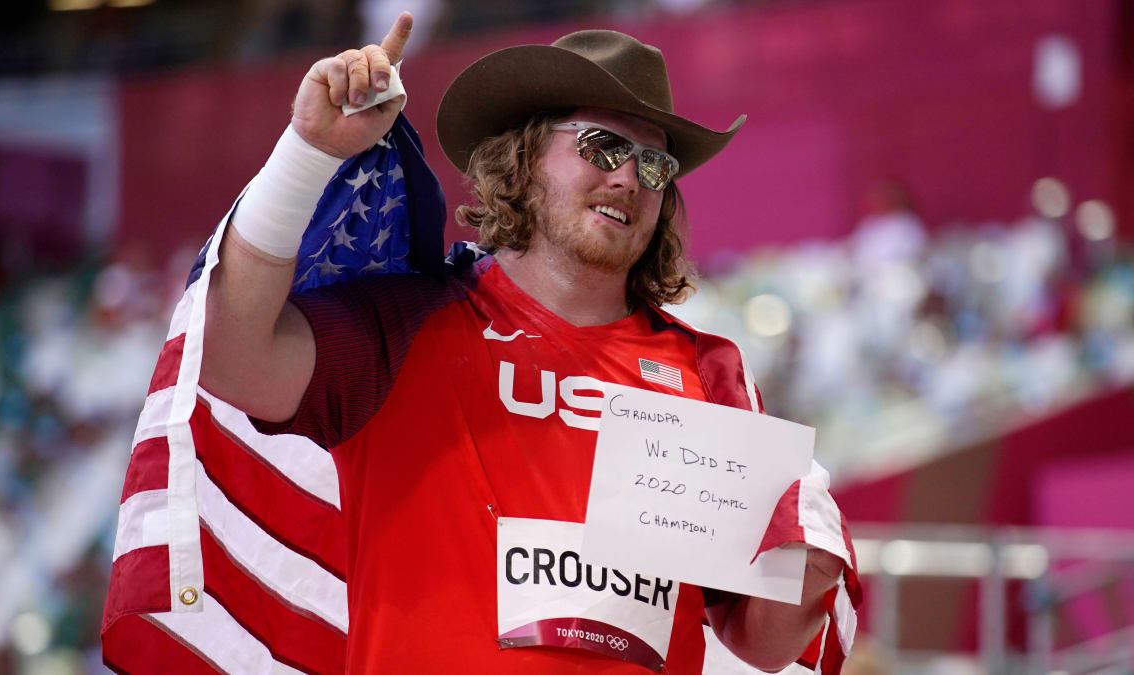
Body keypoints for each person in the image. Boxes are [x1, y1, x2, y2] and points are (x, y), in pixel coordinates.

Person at [199, 12, 851, 673]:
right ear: (525, 155)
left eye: (655, 165)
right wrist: (309, 150)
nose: (629, 179)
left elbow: (762, 642)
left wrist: (812, 557)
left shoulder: (709, 372)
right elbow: (227, 356)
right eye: (602, 146)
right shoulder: (404, 323)